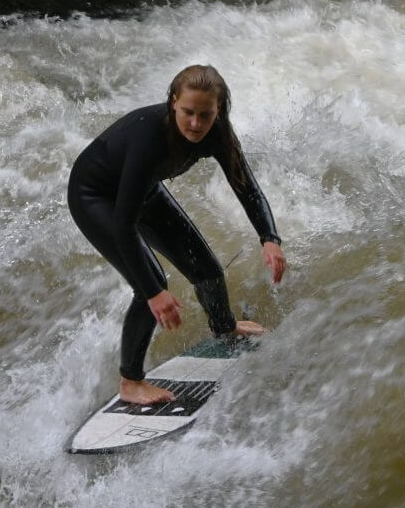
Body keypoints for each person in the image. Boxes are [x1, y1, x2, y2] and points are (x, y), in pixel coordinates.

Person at [67, 65, 288, 405]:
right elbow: (124, 225)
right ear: (173, 102)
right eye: (188, 112)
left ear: (218, 110)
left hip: (144, 190)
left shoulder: (218, 133)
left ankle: (224, 327)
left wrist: (269, 238)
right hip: (95, 196)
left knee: (207, 270)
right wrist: (155, 293)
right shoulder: (150, 137)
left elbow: (246, 187)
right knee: (150, 285)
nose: (196, 124)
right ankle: (130, 381)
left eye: (205, 115)